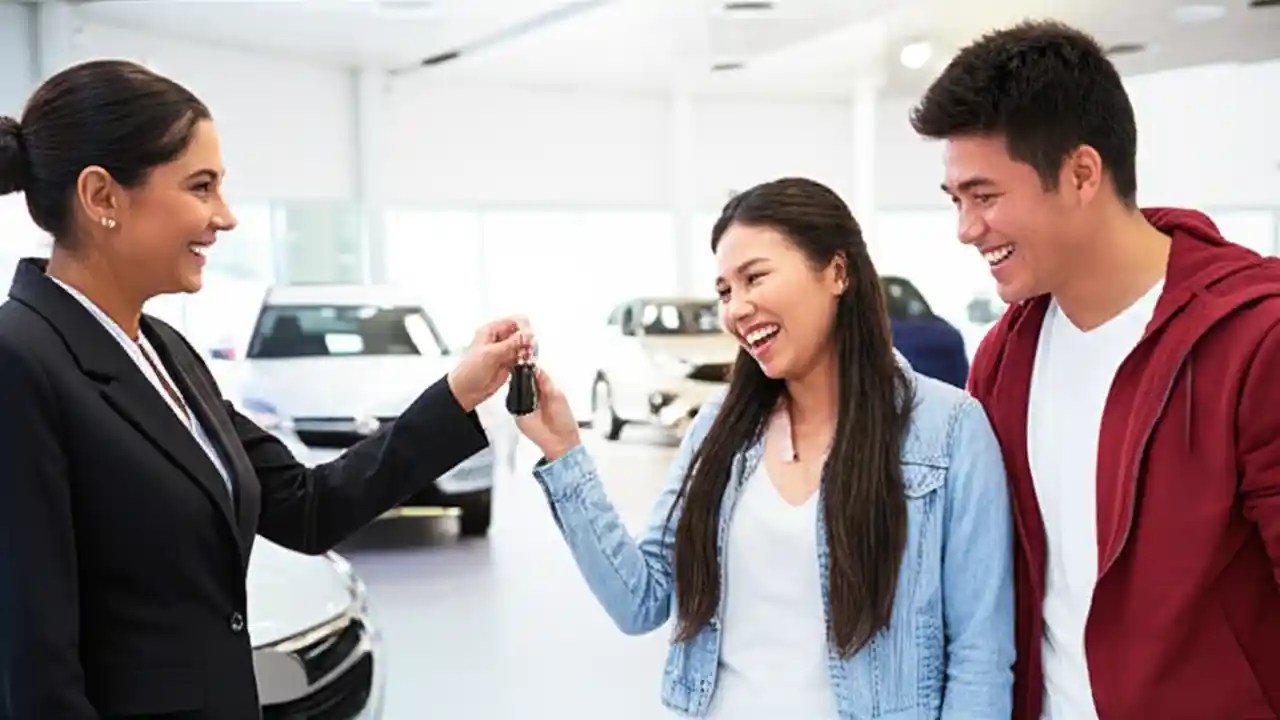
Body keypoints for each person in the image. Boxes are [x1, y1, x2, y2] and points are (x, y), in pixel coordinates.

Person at [0, 59, 532, 720]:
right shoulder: (20, 362)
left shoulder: (162, 351)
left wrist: (457, 391)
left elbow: (307, 507)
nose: (225, 217)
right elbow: (34, 670)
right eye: (201, 187)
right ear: (102, 196)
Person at [515, 177, 1015, 718]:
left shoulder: (949, 431)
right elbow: (641, 600)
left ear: (837, 273)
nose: (737, 308)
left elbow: (979, 658)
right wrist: (564, 450)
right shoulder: (718, 430)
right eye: (726, 291)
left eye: (755, 277)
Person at [910, 20, 1280, 720]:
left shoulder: (1258, 342)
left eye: (985, 196)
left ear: (1082, 173)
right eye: (955, 200)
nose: (965, 228)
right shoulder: (1004, 359)